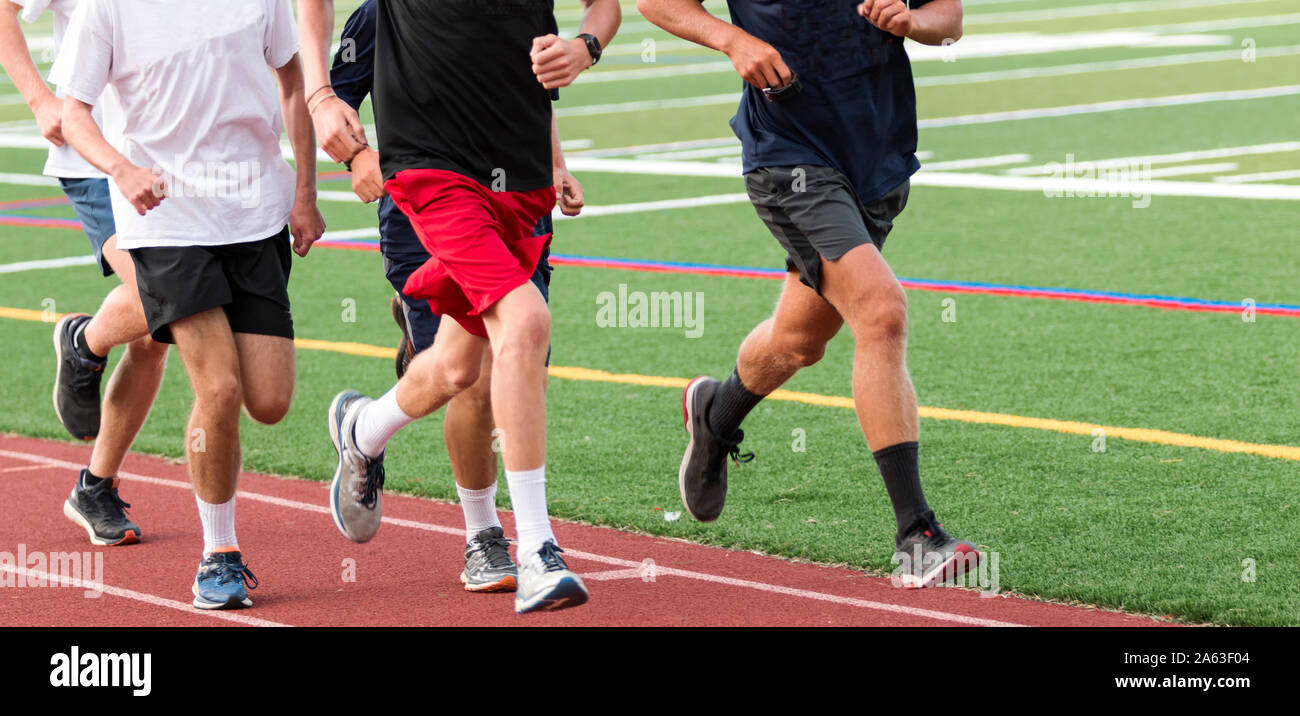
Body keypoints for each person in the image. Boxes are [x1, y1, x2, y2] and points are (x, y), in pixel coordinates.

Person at [638, 0, 982, 588]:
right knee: (882, 312)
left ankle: (714, 416)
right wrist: (732, 41)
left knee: (799, 342)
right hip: (789, 156)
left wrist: (912, 22)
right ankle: (916, 535)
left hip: (878, 153)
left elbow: (947, 17)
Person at [299, 0, 619, 614]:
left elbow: (593, 12)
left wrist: (585, 48)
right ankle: (531, 550)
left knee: (455, 366)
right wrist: (321, 101)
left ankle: (363, 430)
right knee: (522, 326)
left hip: (519, 180)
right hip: (431, 172)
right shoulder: (378, 20)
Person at [56, 0, 324, 609]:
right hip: (167, 222)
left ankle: (85, 339)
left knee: (270, 401)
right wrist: (121, 170)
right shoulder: (108, 9)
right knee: (220, 389)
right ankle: (219, 555)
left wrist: (304, 190)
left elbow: (291, 79)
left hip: (255, 213)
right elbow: (74, 112)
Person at [0, 0, 167, 547]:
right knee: (162, 294)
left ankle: (95, 486)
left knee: (153, 335)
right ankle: (86, 340)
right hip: (94, 155)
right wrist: (39, 98)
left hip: (171, 158)